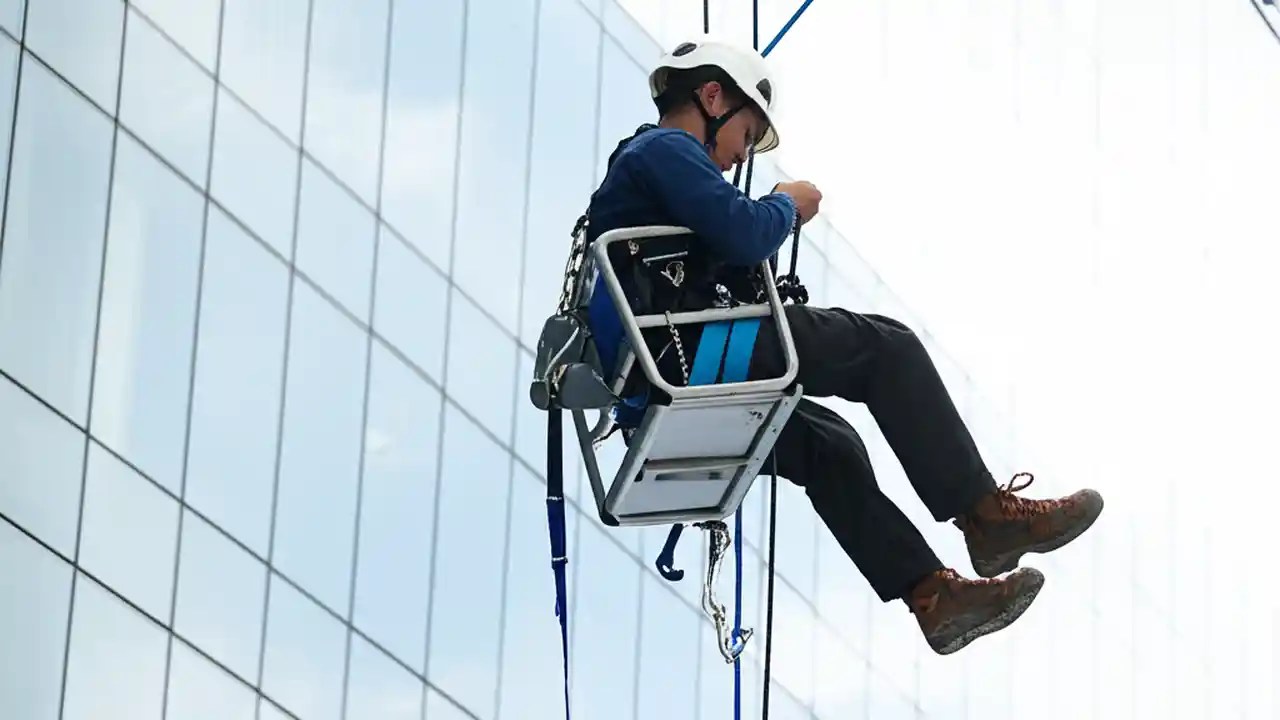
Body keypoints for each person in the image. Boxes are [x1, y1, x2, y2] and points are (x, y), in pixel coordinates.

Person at [578, 37, 1104, 656]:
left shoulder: (651, 185)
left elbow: (713, 256)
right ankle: (983, 513)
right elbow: (745, 234)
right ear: (712, 96)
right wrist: (786, 206)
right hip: (692, 353)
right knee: (887, 350)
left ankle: (933, 596)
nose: (736, 157)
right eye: (744, 136)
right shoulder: (664, 149)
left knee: (831, 445)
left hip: (668, 372)